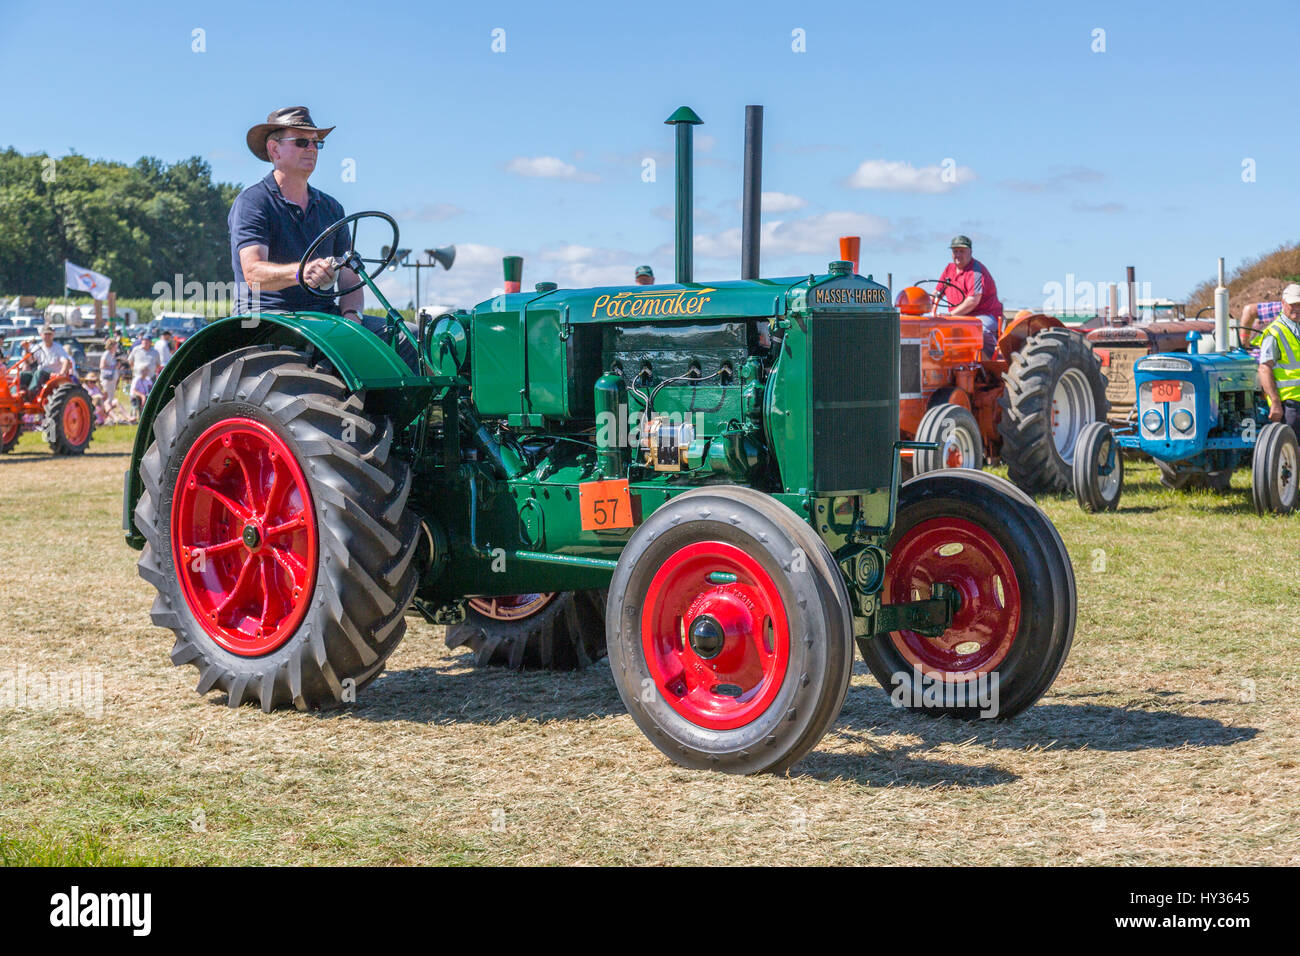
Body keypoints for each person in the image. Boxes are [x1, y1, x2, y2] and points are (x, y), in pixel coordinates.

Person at [228, 106, 362, 321]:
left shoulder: (332, 208)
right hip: (267, 317)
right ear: (275, 150)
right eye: (301, 142)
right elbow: (253, 273)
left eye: (316, 142)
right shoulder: (253, 202)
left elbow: (350, 279)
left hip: (325, 316)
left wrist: (353, 316)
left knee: (407, 338)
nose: (312, 148)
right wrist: (302, 273)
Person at [936, 236, 1003, 359]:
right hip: (959, 317)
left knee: (978, 330)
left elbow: (972, 301)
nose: (958, 255)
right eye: (955, 251)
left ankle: (994, 359)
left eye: (962, 251)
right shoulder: (949, 269)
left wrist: (950, 316)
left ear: (970, 252)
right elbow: (937, 293)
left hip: (984, 314)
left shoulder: (976, 271)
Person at [1256, 285, 1300, 430]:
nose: (1297, 308)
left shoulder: (1297, 328)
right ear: (1283, 303)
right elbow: (1264, 368)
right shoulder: (1274, 333)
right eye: (1293, 304)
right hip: (1290, 404)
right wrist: (1275, 402)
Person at [19, 326, 73, 399]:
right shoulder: (38, 347)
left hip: (52, 375)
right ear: (41, 335)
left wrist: (61, 373)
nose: (47, 336)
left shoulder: (58, 348)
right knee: (23, 374)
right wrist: (26, 349)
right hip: (40, 374)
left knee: (39, 373)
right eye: (45, 334)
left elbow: (66, 361)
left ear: (53, 335)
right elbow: (29, 361)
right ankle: (18, 394)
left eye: (49, 334)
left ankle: (30, 394)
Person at [128, 335, 161, 411]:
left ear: (150, 342)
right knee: (135, 393)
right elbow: (130, 361)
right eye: (143, 340)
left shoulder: (155, 352)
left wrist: (151, 371)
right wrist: (136, 370)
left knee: (150, 395)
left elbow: (158, 365)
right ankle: (136, 409)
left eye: (147, 341)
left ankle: (149, 410)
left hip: (150, 377)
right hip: (137, 377)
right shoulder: (136, 350)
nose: (145, 342)